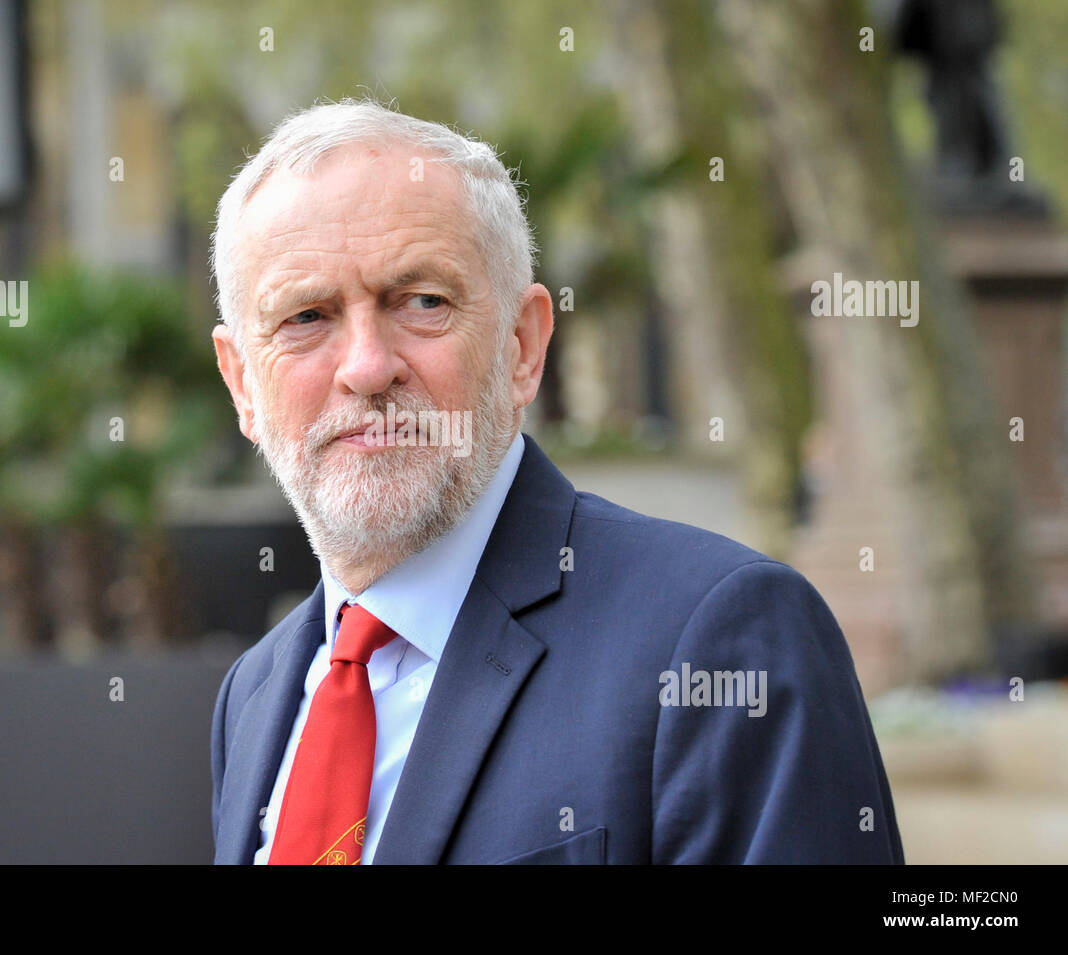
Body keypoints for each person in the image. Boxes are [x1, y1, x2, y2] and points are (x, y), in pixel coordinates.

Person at [207, 98, 905, 865]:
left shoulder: (719, 641)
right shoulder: (255, 694)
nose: (367, 366)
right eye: (306, 316)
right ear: (242, 383)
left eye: (423, 301)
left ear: (523, 347)